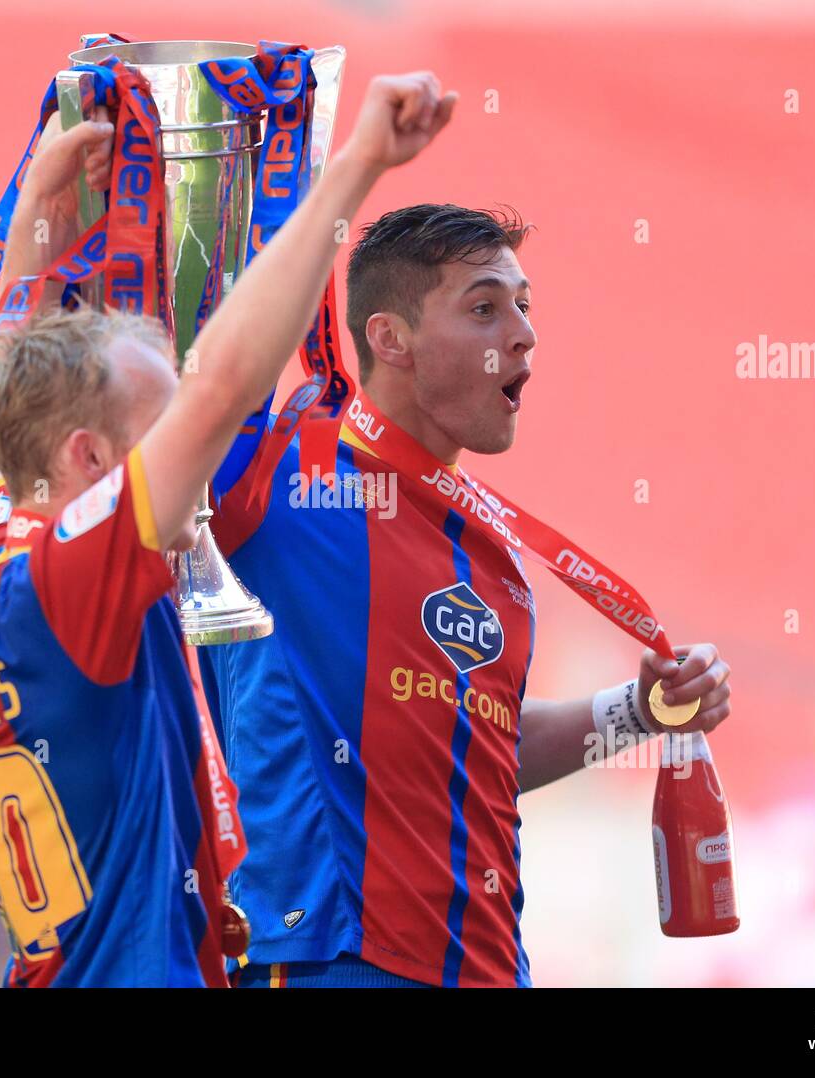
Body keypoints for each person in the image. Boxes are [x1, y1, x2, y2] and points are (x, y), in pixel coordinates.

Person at [0, 72, 457, 987]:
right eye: (165, 435)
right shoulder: (65, 583)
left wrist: (36, 236)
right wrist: (356, 168)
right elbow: (222, 389)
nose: (196, 454)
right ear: (95, 462)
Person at [199, 203, 734, 988]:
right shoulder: (282, 478)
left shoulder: (494, 557)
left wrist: (641, 712)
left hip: (488, 970)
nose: (522, 334)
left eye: (524, 307)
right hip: (326, 960)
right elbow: (194, 375)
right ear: (390, 338)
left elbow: (486, 751)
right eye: (485, 308)